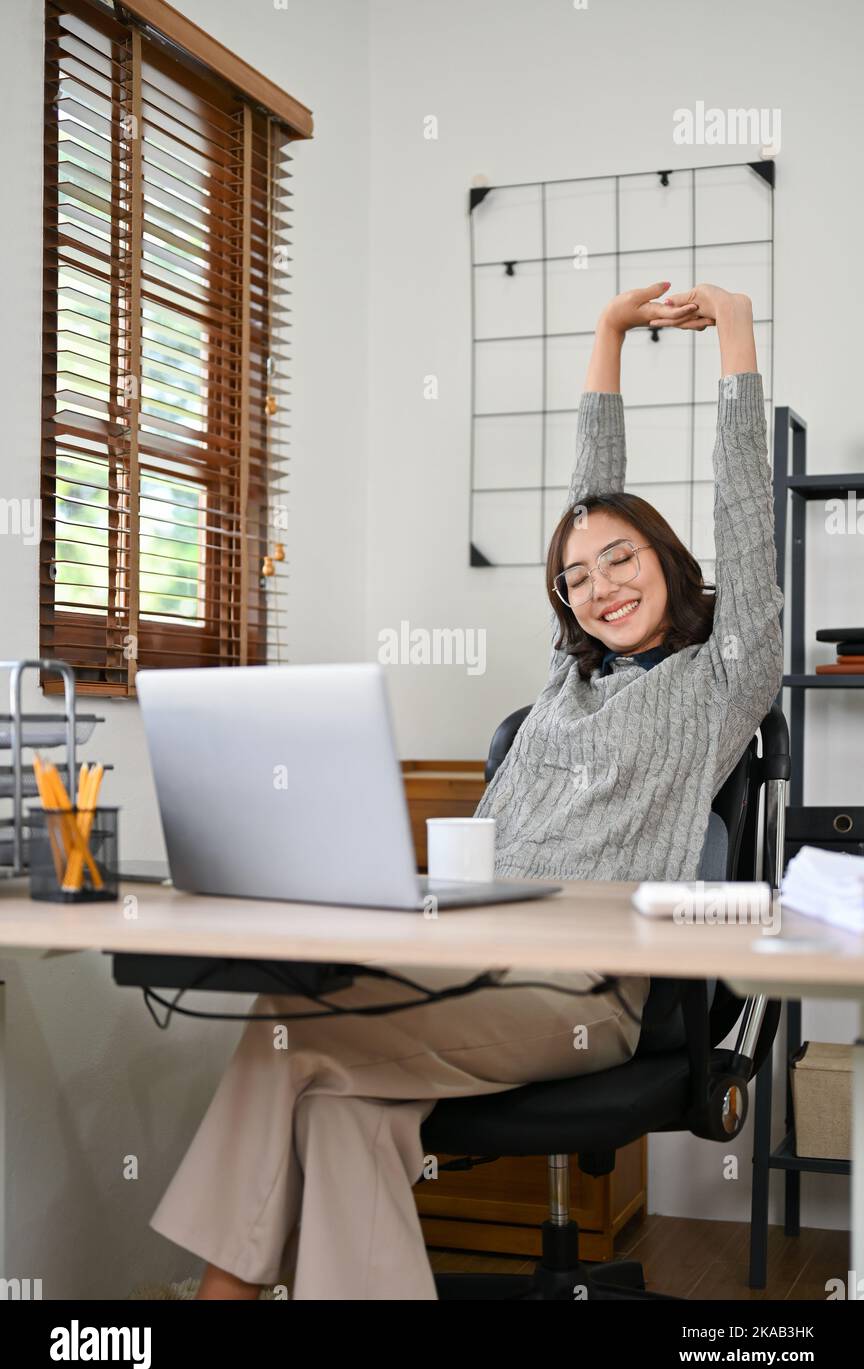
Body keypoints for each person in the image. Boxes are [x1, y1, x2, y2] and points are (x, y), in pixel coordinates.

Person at [148, 282, 784, 1300]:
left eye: (623, 557)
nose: (602, 584)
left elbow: (750, 519)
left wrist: (736, 334)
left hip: (581, 994)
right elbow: (587, 494)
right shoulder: (563, 681)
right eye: (577, 576)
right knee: (339, 1107)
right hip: (456, 957)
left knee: (290, 1028)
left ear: (669, 561)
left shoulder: (720, 683)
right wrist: (606, 331)